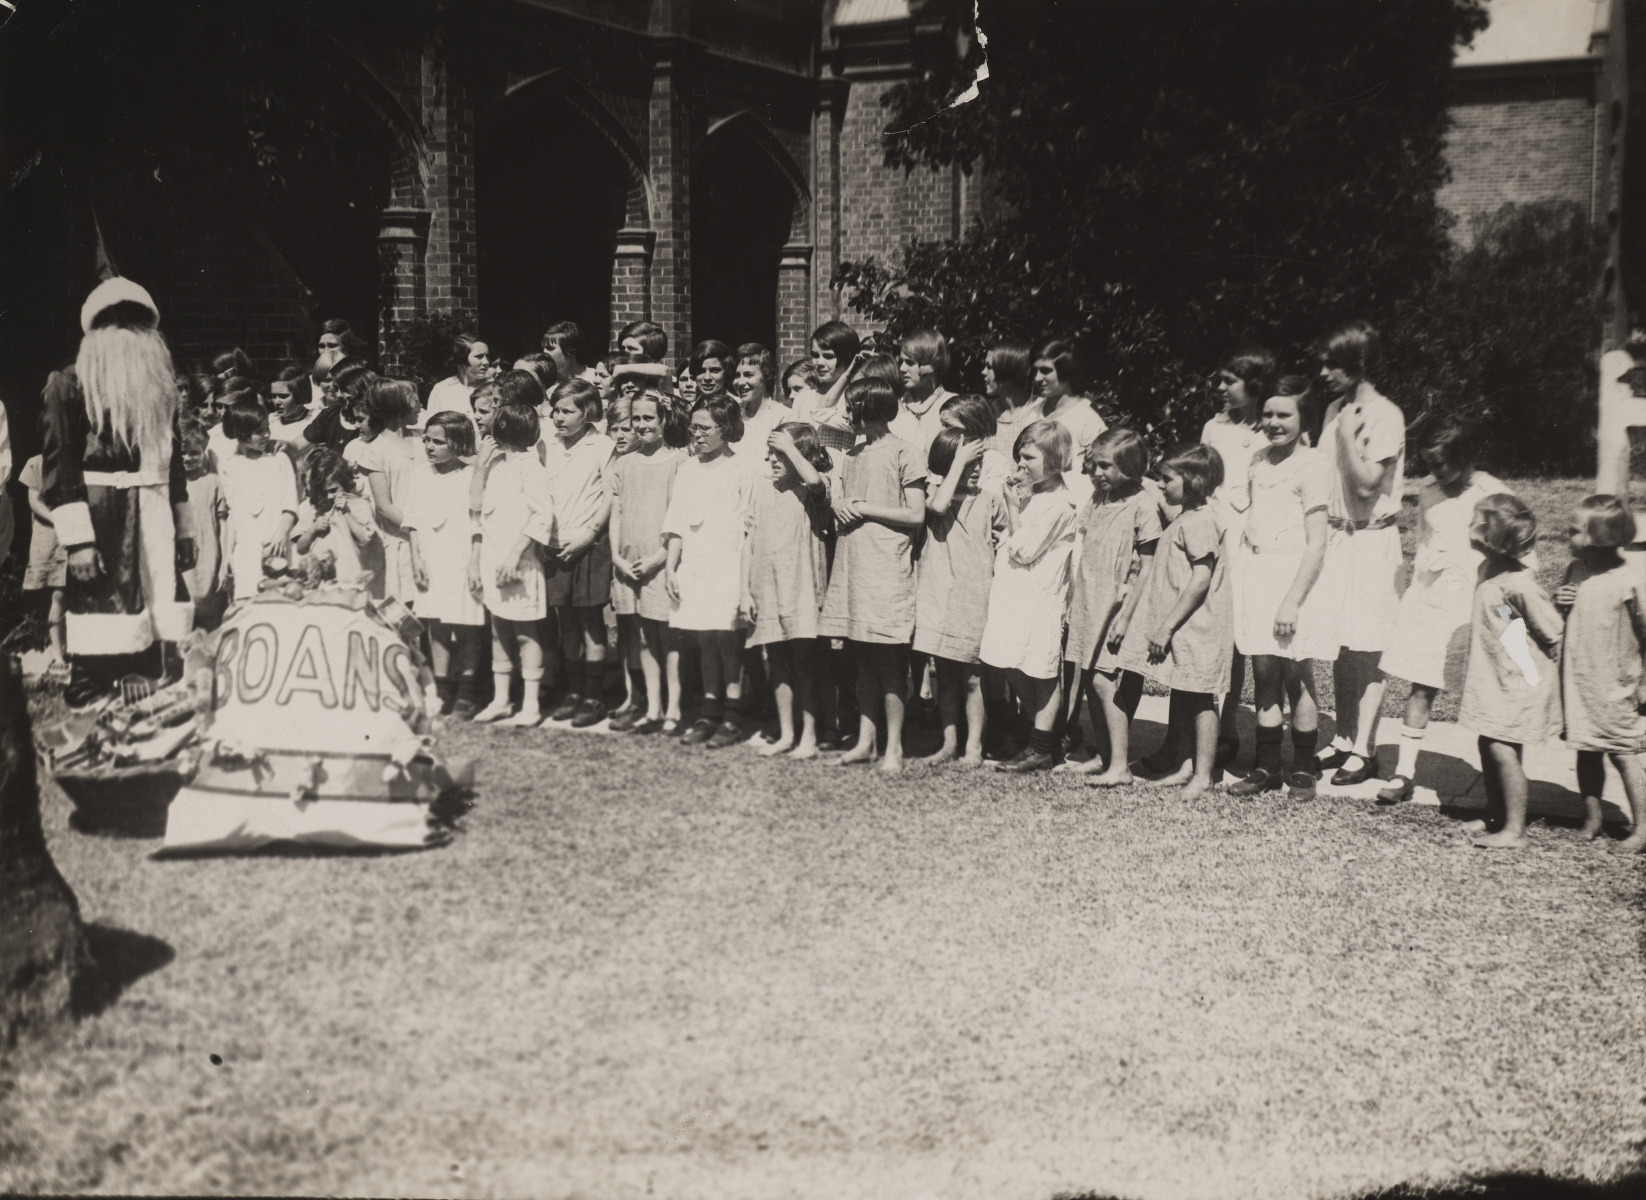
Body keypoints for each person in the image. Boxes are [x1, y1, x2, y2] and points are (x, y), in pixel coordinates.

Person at [42, 278, 195, 703]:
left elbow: (174, 464)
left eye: (136, 325)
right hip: (101, 514)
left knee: (154, 600)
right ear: (94, 334)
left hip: (156, 511)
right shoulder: (67, 384)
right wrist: (78, 542)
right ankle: (89, 686)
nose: (126, 335)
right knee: (99, 602)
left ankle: (144, 683)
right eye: (114, 324)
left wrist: (185, 529)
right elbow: (60, 467)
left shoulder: (160, 389)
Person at [1376, 419, 1508, 804]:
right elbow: (1424, 542)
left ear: (1464, 456)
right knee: (1421, 684)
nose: (1434, 472)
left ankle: (1502, 785)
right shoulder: (1429, 491)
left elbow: (1513, 549)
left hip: (1477, 601)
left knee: (1493, 689)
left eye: (1441, 463)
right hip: (1435, 600)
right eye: (1429, 464)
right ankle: (1403, 774)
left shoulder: (1492, 493)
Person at [1226, 388, 1333, 800]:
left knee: (1295, 674)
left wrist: (1293, 599)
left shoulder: (1313, 466)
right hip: (1256, 572)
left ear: (1303, 419)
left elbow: (1318, 543)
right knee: (1264, 672)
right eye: (1267, 414)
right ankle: (1267, 765)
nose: (1273, 422)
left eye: (1284, 415)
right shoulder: (1257, 461)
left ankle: (1303, 766)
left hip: (1293, 577)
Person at [818, 377, 926, 773]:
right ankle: (865, 741)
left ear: (874, 409)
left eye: (854, 407)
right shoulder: (852, 454)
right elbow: (845, 502)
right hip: (853, 565)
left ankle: (893, 746)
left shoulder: (905, 452)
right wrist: (841, 505)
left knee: (890, 662)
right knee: (862, 659)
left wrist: (864, 508)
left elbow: (915, 515)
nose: (847, 415)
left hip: (887, 570)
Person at [1314, 320, 1405, 786]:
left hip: (1371, 539)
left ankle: (1367, 750)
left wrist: (1348, 436)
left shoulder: (1385, 414)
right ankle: (1345, 738)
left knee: (1367, 647)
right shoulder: (1334, 409)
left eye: (1334, 364)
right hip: (1336, 538)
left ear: (1359, 364)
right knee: (1340, 645)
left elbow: (1369, 486)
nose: (1324, 372)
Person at [1113, 443, 1231, 800]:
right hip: (1185, 625)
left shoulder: (1200, 522)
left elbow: (1200, 579)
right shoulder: (1187, 517)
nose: (1160, 486)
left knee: (1199, 699)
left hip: (1197, 624)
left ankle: (1203, 777)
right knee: (1183, 694)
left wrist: (1166, 626)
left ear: (1193, 482)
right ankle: (1187, 766)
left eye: (1166, 479)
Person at [1457, 494, 1563, 850]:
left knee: (1504, 749)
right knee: (1488, 741)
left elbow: (1551, 632)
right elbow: (1505, 619)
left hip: (1519, 681)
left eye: (1476, 520)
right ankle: (1495, 815)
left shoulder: (1521, 584)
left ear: (1492, 537)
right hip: (1495, 677)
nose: (1469, 524)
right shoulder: (1487, 573)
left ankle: (1514, 829)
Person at [1059, 428, 1160, 784]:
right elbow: (1084, 544)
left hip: (1120, 604)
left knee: (1105, 680)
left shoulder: (1143, 504)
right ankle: (1105, 756)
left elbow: (1148, 565)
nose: (1098, 473)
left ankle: (1120, 765)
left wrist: (1125, 617)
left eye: (1106, 467)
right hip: (1090, 598)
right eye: (1094, 466)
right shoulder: (1099, 499)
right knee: (1088, 677)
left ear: (1130, 466)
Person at [979, 420, 1078, 773]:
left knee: (1041, 671)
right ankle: (1045, 734)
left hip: (1038, 600)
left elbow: (1025, 550)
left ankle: (1041, 747)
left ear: (1054, 460)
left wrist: (1013, 508)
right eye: (1019, 457)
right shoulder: (1036, 496)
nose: (1021, 465)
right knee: (1009, 663)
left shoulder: (1060, 505)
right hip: (1014, 596)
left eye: (1029, 458)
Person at [1554, 494, 1646, 854]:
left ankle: (1642, 827)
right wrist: (1559, 601)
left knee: (1624, 753)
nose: (1567, 535)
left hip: (1617, 685)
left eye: (1575, 531)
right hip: (1582, 683)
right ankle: (1591, 819)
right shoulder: (1575, 571)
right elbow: (1568, 618)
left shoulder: (1630, 580)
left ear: (1599, 537)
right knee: (1586, 751)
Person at [663, 394, 755, 748]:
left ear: (727, 429)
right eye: (694, 427)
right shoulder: (687, 469)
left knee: (727, 640)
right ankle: (709, 711)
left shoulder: (741, 469)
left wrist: (743, 582)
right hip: (694, 565)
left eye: (705, 428)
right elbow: (676, 522)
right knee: (703, 640)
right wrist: (671, 566)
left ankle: (732, 717)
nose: (696, 435)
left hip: (728, 565)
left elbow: (748, 528)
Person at [1203, 345, 1276, 768]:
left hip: (1259, 549)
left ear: (1254, 385)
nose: (1221, 388)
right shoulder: (1214, 428)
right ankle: (1212, 729)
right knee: (1219, 640)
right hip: (1218, 542)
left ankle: (1250, 734)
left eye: (1229, 380)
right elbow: (1201, 482)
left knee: (1257, 646)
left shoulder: (1278, 430)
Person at [916, 428, 1007, 766]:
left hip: (976, 596)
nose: (976, 470)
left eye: (979, 463)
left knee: (973, 677)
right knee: (947, 676)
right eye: (969, 463)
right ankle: (949, 743)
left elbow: (1005, 536)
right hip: (940, 596)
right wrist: (957, 464)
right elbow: (939, 506)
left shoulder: (989, 499)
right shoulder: (931, 494)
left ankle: (974, 748)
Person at [745, 424, 835, 758]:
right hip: (767, 586)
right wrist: (745, 591)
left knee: (805, 663)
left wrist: (791, 448)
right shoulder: (762, 489)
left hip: (801, 588)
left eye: (782, 453)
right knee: (777, 661)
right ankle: (786, 733)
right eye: (772, 453)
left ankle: (810, 735)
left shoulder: (814, 488)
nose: (774, 459)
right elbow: (748, 540)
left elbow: (814, 481)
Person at [540, 379, 616, 728]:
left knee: (590, 621)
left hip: (589, 544)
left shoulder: (602, 446)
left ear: (588, 412)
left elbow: (610, 496)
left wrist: (589, 535)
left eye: (567, 411)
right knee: (564, 621)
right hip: (554, 543)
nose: (559, 417)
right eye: (555, 410)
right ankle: (572, 690)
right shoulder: (545, 444)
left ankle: (594, 694)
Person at [471, 404, 553, 727]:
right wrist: (480, 465)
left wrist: (515, 556)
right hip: (494, 560)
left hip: (519, 562)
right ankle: (501, 699)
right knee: (498, 630)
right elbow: (476, 506)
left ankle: (530, 704)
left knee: (525, 632)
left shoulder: (531, 467)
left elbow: (542, 514)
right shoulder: (496, 466)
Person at [609, 390, 685, 735]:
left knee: (665, 638)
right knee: (640, 637)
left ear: (664, 420)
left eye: (647, 419)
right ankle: (652, 707)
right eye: (635, 419)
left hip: (660, 561)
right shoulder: (624, 463)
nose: (641, 426)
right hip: (628, 564)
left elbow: (678, 517)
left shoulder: (677, 462)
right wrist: (615, 556)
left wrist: (659, 558)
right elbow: (617, 513)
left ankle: (674, 708)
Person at [406, 412, 487, 719]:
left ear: (458, 442)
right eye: (426, 440)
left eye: (437, 442)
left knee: (466, 623)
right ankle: (441, 686)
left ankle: (468, 688)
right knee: (435, 622)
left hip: (462, 559)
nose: (429, 447)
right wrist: (416, 558)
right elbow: (412, 520)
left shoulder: (471, 476)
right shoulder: (420, 475)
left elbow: (478, 524)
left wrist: (474, 563)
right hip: (430, 558)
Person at [345, 378, 423, 602]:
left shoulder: (423, 439)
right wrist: (419, 529)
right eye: (413, 400)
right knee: (405, 613)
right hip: (402, 540)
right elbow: (384, 506)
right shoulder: (376, 450)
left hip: (431, 538)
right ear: (395, 405)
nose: (419, 405)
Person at [218, 398, 298, 601]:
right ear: (241, 435)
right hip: (245, 550)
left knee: (278, 603)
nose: (267, 435)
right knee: (247, 604)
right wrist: (227, 554)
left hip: (276, 547)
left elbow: (290, 506)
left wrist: (281, 532)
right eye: (260, 432)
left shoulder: (279, 460)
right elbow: (231, 517)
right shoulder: (230, 466)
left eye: (267, 428)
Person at [19, 439, 70, 675]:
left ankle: (74, 649)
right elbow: (34, 501)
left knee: (73, 594)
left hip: (75, 535)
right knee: (58, 595)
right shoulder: (37, 464)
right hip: (51, 537)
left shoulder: (76, 463)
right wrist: (58, 519)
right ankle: (57, 653)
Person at [292, 449, 379, 588]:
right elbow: (300, 548)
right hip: (320, 579)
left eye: (333, 490)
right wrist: (313, 529)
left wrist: (346, 513)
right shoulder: (316, 508)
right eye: (323, 491)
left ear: (344, 482)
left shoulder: (359, 505)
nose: (328, 496)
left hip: (350, 574)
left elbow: (365, 538)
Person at [177, 421, 227, 630]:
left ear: (204, 452)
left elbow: (223, 525)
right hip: (183, 561)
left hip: (208, 560)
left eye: (195, 453)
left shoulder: (213, 483)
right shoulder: (174, 486)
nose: (188, 458)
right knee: (183, 619)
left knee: (211, 620)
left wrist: (224, 562)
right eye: (183, 452)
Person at [1030, 337, 1107, 471]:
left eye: (1045, 370)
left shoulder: (1086, 418)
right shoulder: (1033, 410)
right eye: (1035, 371)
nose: (1037, 378)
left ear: (1065, 370)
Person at [889, 329, 955, 458]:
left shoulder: (952, 405)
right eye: (901, 361)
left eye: (910, 362)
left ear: (931, 365)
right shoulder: (896, 403)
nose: (901, 368)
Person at [802, 320, 862, 452]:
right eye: (815, 355)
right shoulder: (803, 399)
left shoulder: (856, 398)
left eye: (828, 356)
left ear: (848, 358)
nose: (819, 363)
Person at [731, 344, 788, 465]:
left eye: (748, 375)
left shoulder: (782, 417)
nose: (740, 382)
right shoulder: (732, 414)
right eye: (737, 376)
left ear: (766, 376)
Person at [983, 337, 1035, 461]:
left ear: (1008, 369)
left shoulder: (1039, 412)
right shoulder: (985, 414)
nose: (983, 372)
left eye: (989, 367)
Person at [425, 333, 494, 423]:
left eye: (487, 356)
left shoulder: (494, 387)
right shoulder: (442, 389)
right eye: (479, 356)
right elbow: (432, 425)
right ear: (462, 359)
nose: (486, 362)